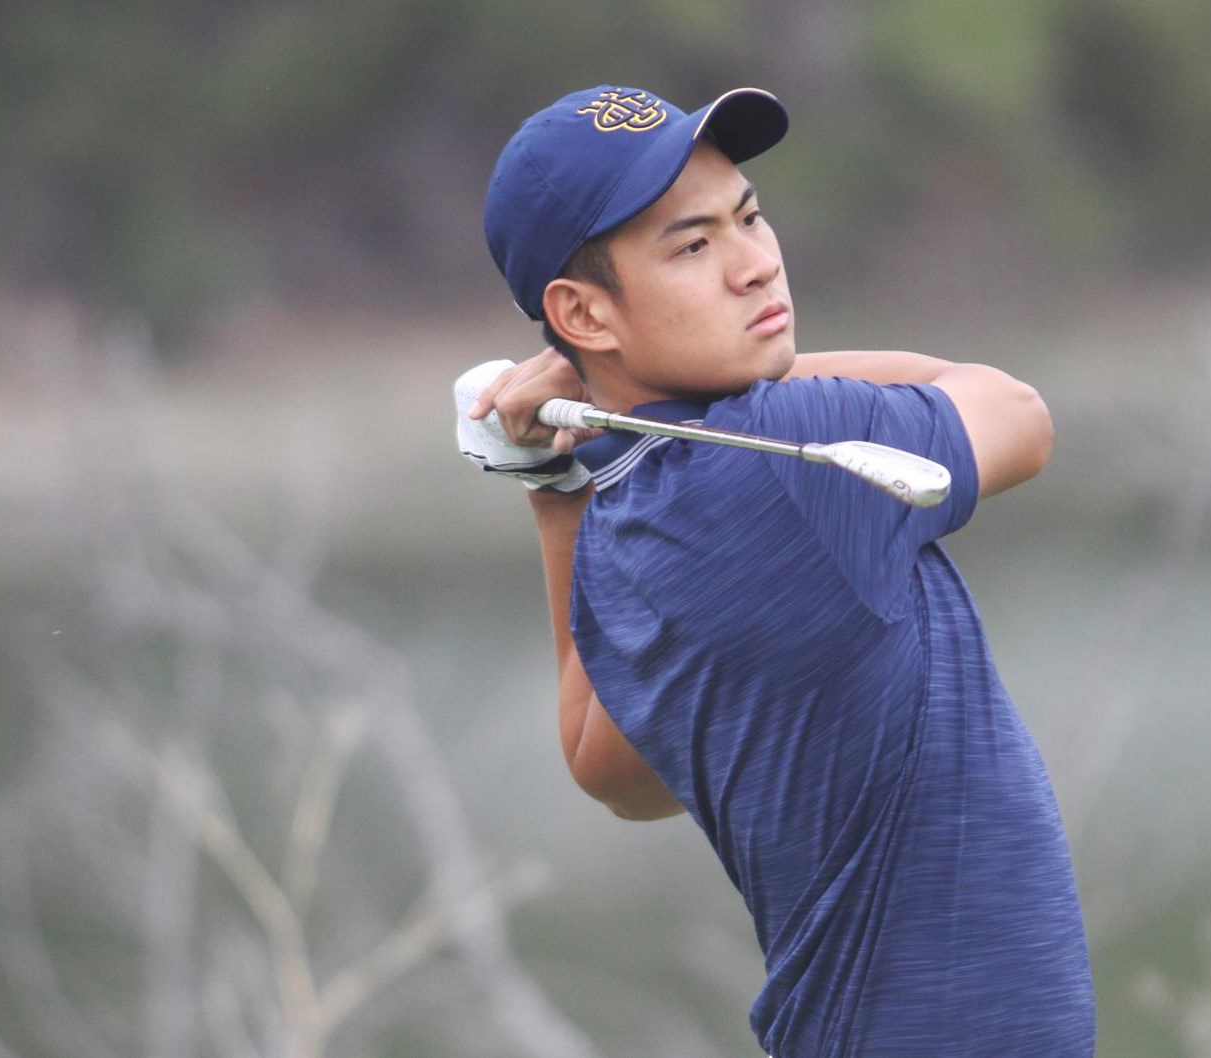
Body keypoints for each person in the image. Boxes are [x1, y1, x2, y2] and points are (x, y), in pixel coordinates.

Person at [456, 84, 1095, 1057]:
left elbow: (610, 765)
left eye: (749, 216)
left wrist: (555, 472)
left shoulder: (632, 503)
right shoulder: (781, 457)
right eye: (693, 246)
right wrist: (614, 401)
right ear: (582, 312)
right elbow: (1014, 409)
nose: (756, 266)